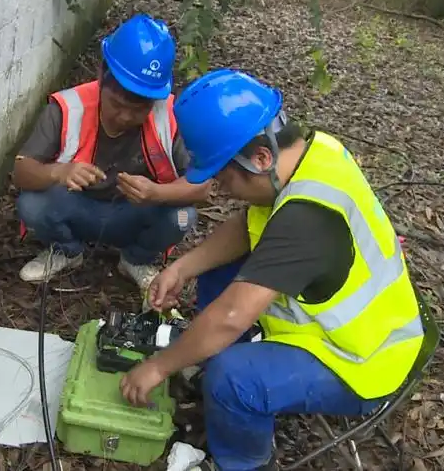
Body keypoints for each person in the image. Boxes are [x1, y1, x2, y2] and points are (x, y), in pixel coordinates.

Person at [119, 69, 425, 471]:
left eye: (225, 179)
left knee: (232, 379)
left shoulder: (307, 218)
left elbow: (230, 317)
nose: (224, 191)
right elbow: (251, 225)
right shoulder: (309, 154)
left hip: (360, 360)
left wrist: (157, 366)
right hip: (334, 325)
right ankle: (218, 366)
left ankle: (247, 461)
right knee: (220, 279)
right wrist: (182, 268)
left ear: (260, 157)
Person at [11, 13, 210, 294]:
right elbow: (21, 172)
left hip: (135, 214)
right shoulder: (68, 107)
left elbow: (202, 186)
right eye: (117, 104)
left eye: (139, 109)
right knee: (32, 204)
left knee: (181, 216)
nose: (126, 116)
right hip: (77, 208)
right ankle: (68, 251)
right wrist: (59, 172)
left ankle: (135, 260)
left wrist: (156, 193)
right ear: (102, 74)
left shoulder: (169, 116)